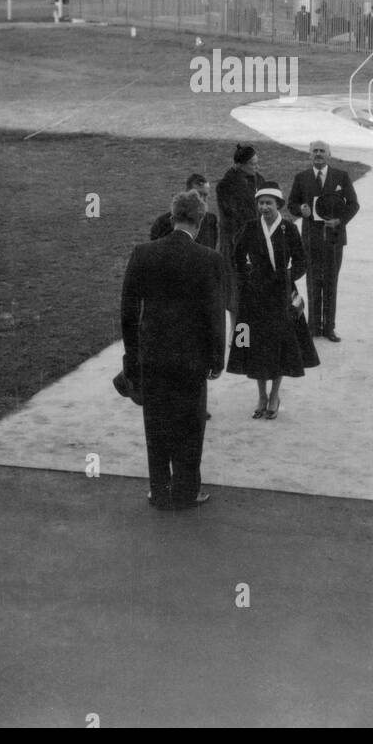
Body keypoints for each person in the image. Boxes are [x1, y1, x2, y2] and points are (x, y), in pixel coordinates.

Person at [120, 191, 224, 511]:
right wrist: (217, 359)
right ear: (201, 220)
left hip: (152, 355)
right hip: (191, 359)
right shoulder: (209, 259)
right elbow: (214, 316)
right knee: (190, 427)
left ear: (171, 215)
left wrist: (132, 356)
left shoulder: (143, 253)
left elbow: (127, 311)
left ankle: (159, 490)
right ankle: (186, 490)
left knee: (156, 424)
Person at [228, 184, 318, 419]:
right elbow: (236, 257)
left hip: (282, 295)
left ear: (278, 204)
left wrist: (288, 277)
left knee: (280, 346)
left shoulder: (289, 229)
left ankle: (275, 395)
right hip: (254, 296)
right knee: (253, 344)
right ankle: (261, 395)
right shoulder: (250, 227)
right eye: (261, 203)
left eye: (269, 203)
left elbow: (300, 261)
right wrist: (248, 275)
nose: (264, 207)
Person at [286, 140, 359, 341]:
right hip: (311, 238)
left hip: (334, 238)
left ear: (329, 154)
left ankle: (329, 328)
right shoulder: (301, 178)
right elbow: (291, 204)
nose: (318, 154)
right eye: (315, 151)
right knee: (312, 282)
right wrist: (301, 210)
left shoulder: (341, 177)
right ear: (310, 155)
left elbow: (353, 204)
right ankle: (313, 327)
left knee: (330, 283)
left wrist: (340, 221)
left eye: (322, 151)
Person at [216, 143, 265, 308]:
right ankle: (237, 331)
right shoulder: (225, 185)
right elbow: (233, 216)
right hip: (234, 243)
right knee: (236, 294)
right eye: (252, 163)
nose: (256, 166)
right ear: (239, 165)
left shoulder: (259, 180)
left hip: (256, 240)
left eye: (257, 162)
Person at [150, 173, 219, 249]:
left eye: (205, 195)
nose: (202, 199)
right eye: (198, 194)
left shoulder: (211, 220)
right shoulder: (163, 222)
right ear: (187, 193)